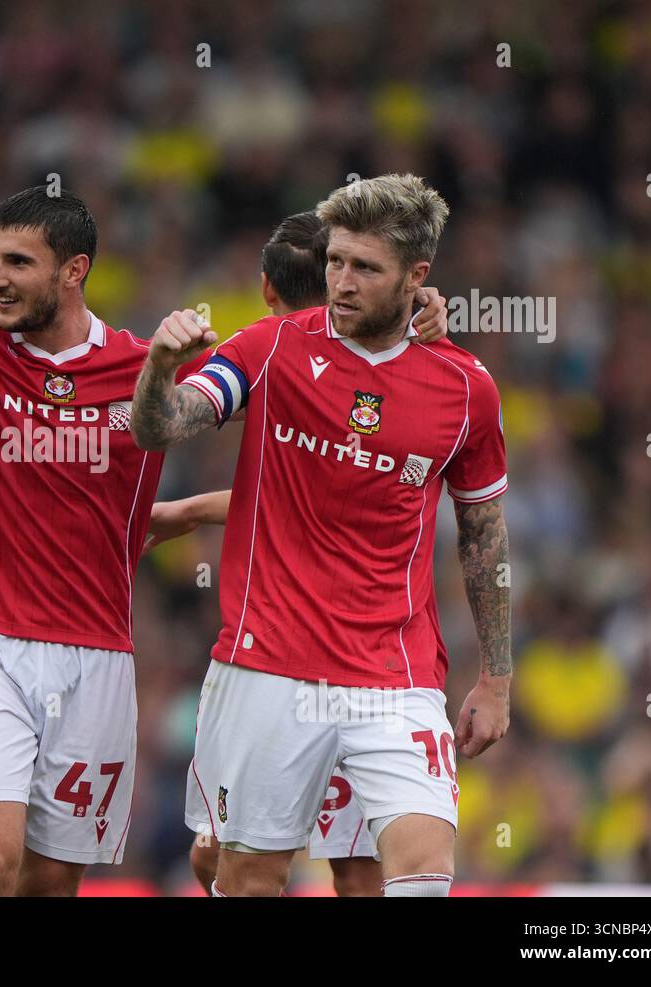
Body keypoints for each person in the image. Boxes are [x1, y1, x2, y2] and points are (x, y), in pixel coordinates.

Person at [0, 82, 452, 896]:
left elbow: (298, 433)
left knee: (49, 880)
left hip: (99, 657)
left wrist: (419, 314)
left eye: (16, 263)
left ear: (73, 271)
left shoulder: (140, 367)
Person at [132, 174, 511, 897]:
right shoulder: (271, 347)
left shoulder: (466, 388)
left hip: (393, 673)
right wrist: (158, 368)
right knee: (244, 879)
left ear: (417, 276)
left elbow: (484, 538)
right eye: (335, 261)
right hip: (269, 662)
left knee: (419, 880)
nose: (340, 281)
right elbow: (162, 425)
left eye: (364, 268)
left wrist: (496, 677)